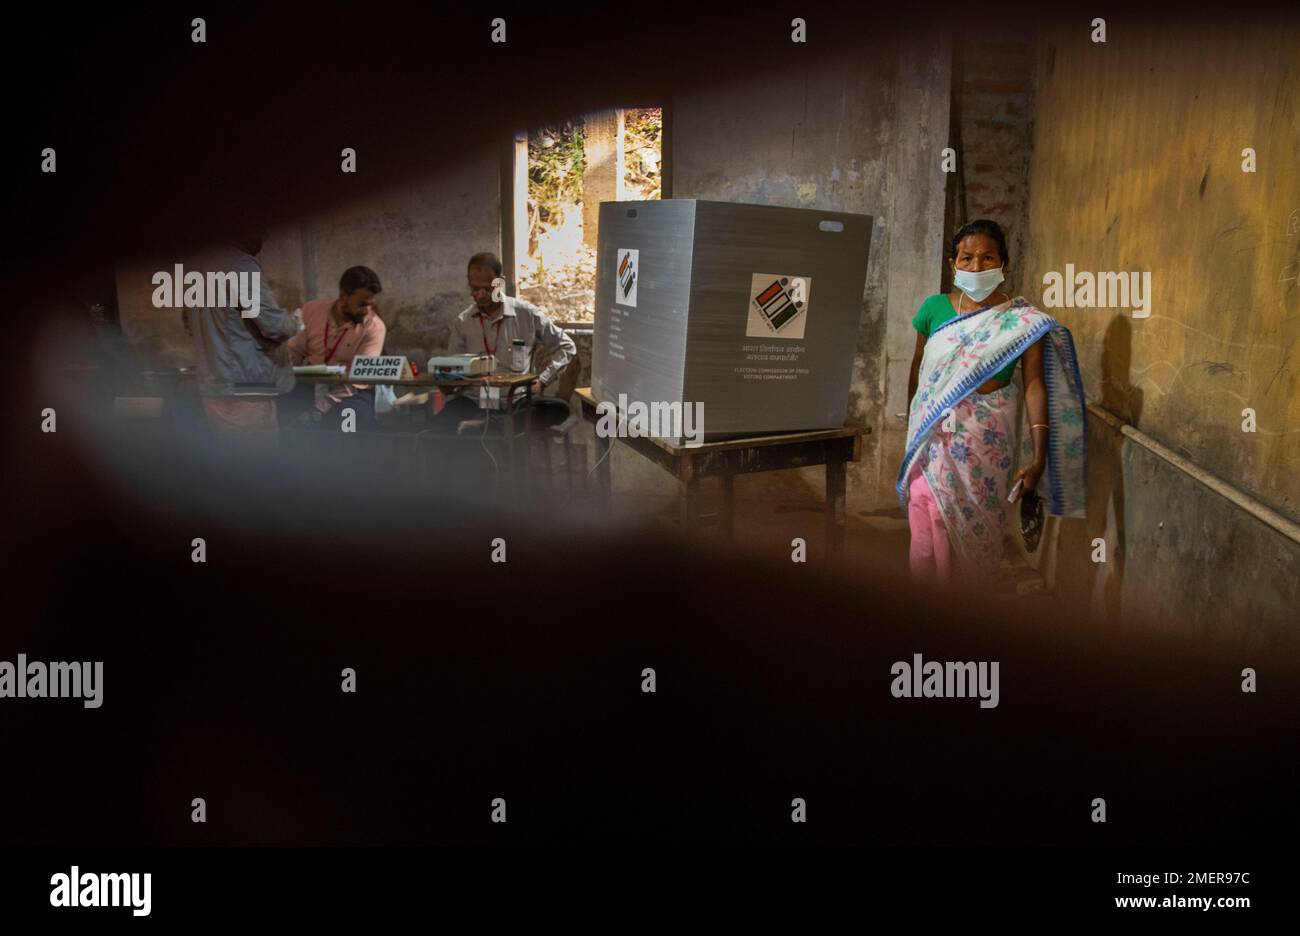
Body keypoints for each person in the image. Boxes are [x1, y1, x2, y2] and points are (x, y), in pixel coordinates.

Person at [898, 219, 1087, 585]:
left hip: (985, 445)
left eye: (987, 258)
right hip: (932, 443)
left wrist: (1039, 456)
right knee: (930, 521)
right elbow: (920, 370)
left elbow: (1034, 385)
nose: (976, 266)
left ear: (1004, 264)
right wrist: (914, 424)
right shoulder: (934, 309)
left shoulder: (1022, 322)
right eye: (966, 258)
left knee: (976, 533)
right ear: (953, 265)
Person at [184, 232, 303, 449]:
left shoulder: (194, 266)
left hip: (213, 385)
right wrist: (295, 321)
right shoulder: (238, 263)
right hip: (245, 386)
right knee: (258, 469)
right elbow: (272, 325)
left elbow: (189, 324)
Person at [439, 252, 577, 430]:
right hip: (474, 401)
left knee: (558, 409)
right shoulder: (463, 322)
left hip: (516, 401)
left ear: (500, 282)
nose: (480, 295)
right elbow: (452, 370)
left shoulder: (526, 314)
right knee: (436, 424)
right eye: (474, 289)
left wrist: (543, 380)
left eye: (487, 289)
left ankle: (486, 426)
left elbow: (566, 346)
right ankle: (496, 426)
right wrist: (446, 382)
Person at [286, 266, 387, 428]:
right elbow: (295, 350)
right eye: (362, 304)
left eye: (371, 305)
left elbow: (358, 380)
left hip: (351, 390)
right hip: (311, 383)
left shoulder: (375, 327)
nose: (367, 311)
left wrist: (319, 410)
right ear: (343, 297)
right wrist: (286, 377)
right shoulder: (312, 310)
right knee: (286, 412)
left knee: (349, 421)